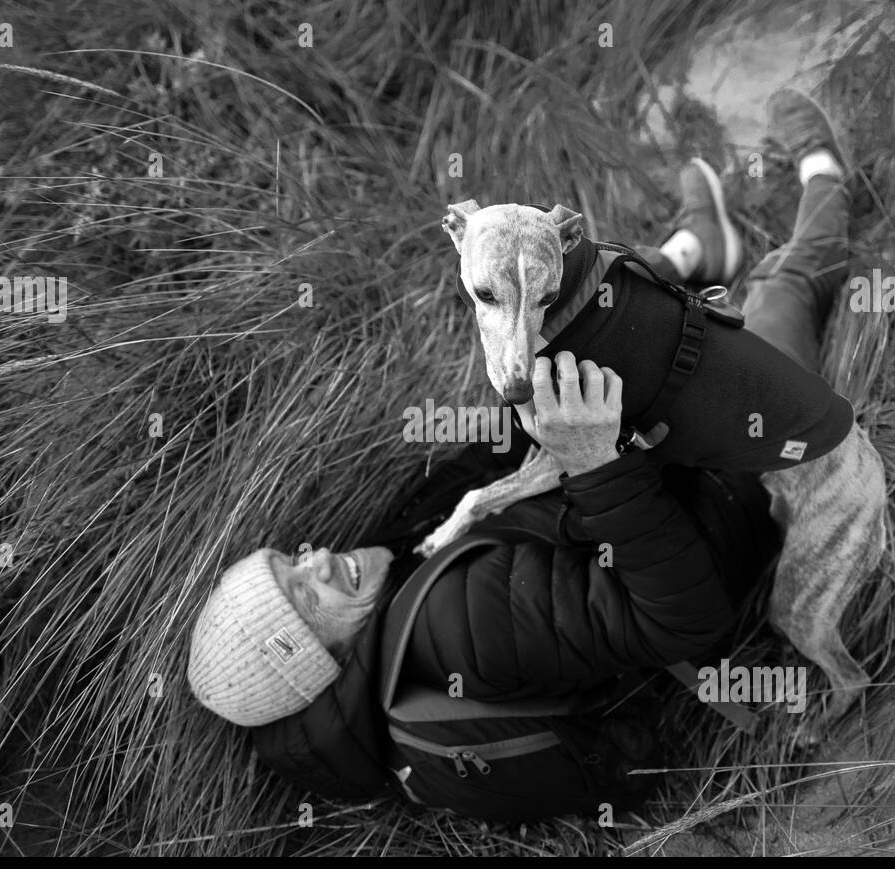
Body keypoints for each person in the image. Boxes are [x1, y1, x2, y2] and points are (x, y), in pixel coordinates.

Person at [187, 88, 854, 813]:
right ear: (319, 663)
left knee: (587, 304)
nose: (317, 560)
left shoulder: (402, 582)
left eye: (292, 560)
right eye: (304, 597)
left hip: (648, 458)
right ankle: (829, 175)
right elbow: (686, 620)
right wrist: (598, 461)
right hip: (728, 487)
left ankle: (696, 248)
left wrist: (551, 421)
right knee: (783, 289)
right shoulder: (454, 628)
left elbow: (502, 474)